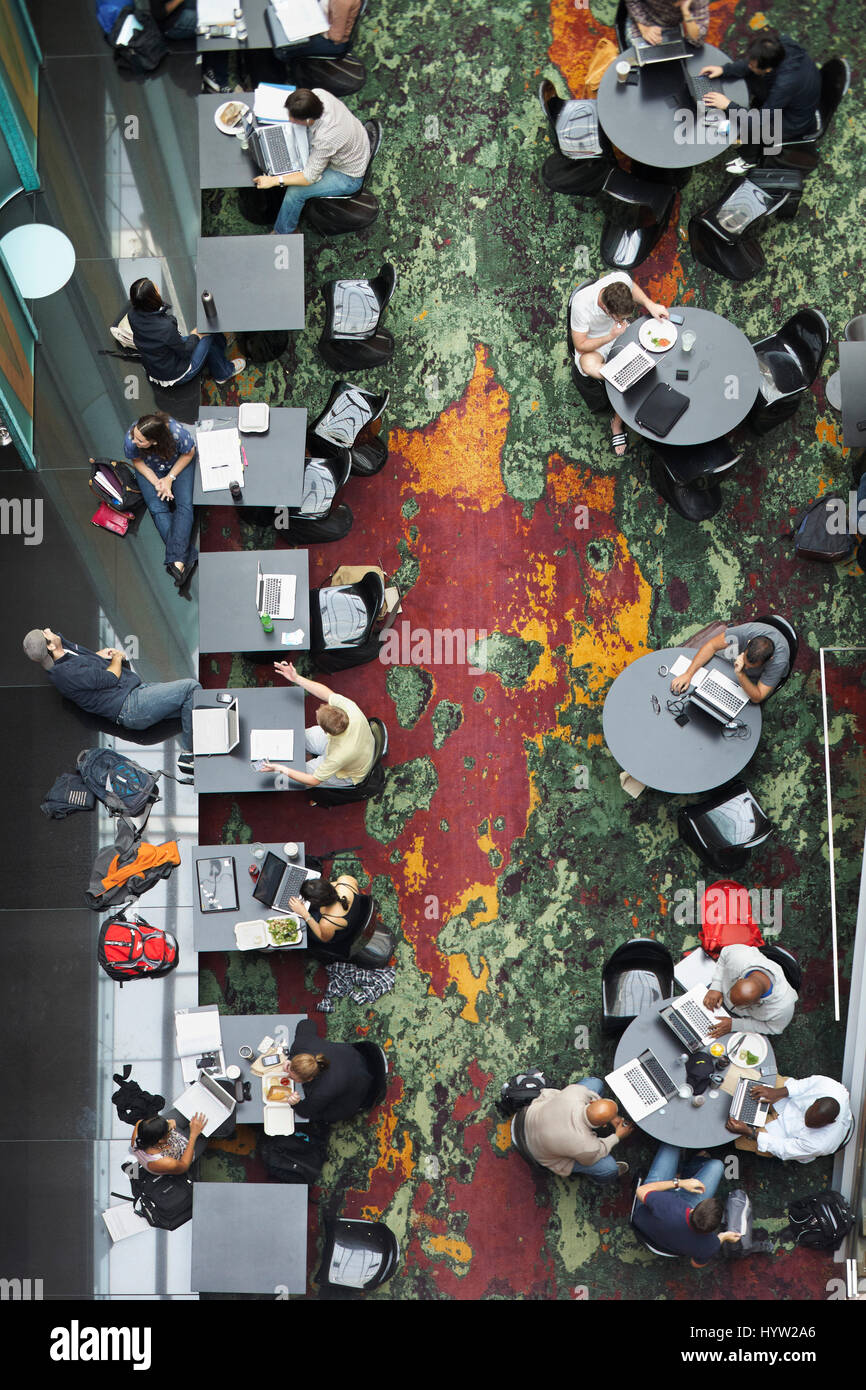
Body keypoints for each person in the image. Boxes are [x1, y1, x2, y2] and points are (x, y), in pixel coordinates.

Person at [22, 627, 200, 776]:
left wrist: (99, 655)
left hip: (135, 693)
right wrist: (115, 658)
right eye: (46, 634)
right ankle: (189, 755)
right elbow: (110, 678)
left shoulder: (61, 652)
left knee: (190, 709)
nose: (48, 630)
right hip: (132, 705)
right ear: (51, 645)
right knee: (190, 689)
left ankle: (207, 742)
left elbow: (83, 662)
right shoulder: (67, 673)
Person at [569, 273, 671, 456]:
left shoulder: (620, 279)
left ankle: (620, 407)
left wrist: (649, 304)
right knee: (590, 366)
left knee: (646, 362)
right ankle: (617, 422)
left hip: (620, 331)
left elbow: (633, 288)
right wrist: (610, 336)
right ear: (605, 309)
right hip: (595, 342)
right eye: (618, 316)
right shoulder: (581, 305)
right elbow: (580, 344)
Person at [253, 88, 370, 235]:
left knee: (294, 192)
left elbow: (308, 178)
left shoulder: (326, 138)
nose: (289, 119)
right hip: (352, 143)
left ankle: (284, 232)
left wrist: (274, 181)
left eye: (293, 117)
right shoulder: (319, 93)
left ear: (308, 120)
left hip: (348, 175)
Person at [701, 28, 822, 167]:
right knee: (749, 85)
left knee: (752, 126)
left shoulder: (785, 84)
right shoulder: (780, 46)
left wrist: (727, 105)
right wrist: (724, 70)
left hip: (793, 121)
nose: (749, 65)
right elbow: (752, 64)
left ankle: (750, 159)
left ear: (769, 69)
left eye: (753, 65)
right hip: (791, 100)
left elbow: (759, 120)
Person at [261, 662, 376, 789]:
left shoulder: (338, 756)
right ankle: (308, 755)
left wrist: (282, 769)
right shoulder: (349, 708)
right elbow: (326, 693)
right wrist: (296, 678)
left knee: (299, 772)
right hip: (348, 745)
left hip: (347, 771)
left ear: (326, 731)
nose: (317, 711)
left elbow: (313, 780)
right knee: (299, 736)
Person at [121, 413, 199, 589]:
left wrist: (169, 479)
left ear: (154, 441)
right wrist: (157, 483)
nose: (134, 441)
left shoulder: (177, 433)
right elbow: (137, 461)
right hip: (150, 470)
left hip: (177, 465)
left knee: (184, 505)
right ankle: (182, 559)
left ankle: (179, 560)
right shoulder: (131, 438)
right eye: (135, 437)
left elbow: (189, 453)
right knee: (157, 509)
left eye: (140, 441)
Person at [126, 277, 244, 391]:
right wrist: (195, 335)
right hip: (176, 373)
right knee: (207, 334)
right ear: (151, 300)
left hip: (156, 365)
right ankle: (223, 373)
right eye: (156, 291)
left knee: (204, 339)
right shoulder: (165, 328)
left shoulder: (132, 315)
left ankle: (220, 347)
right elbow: (185, 351)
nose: (159, 292)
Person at [633, 1143, 741, 1265]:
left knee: (671, 1143)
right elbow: (695, 1264)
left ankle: (683, 1174)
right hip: (669, 1223)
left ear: (694, 1209)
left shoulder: (669, 1206)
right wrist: (723, 1237)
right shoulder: (711, 1244)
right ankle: (693, 1166)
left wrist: (679, 1183)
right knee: (717, 1165)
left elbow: (640, 1191)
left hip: (654, 1211)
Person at [522, 1077, 634, 1183]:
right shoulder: (587, 1147)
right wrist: (617, 1136)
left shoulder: (576, 1092)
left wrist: (606, 1113)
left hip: (527, 1118)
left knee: (595, 1083)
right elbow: (597, 1153)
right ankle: (601, 1178)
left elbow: (591, 1097)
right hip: (535, 1150)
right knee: (609, 1168)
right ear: (604, 1125)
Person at [726, 1076, 852, 1162]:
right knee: (758, 1081)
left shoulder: (819, 1145)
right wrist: (776, 1092)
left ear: (830, 1123)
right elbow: (801, 1086)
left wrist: (750, 1132)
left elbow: (783, 1148)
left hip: (787, 1135)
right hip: (790, 1101)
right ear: (815, 1102)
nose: (807, 1123)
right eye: (808, 1116)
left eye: (813, 1124)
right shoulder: (831, 1087)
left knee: (736, 1133)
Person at [670, 619, 790, 703]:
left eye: (750, 667)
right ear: (748, 642)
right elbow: (712, 646)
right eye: (745, 662)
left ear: (770, 659)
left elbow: (758, 696)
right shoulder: (746, 632)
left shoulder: (778, 662)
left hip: (755, 680)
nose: (746, 667)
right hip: (735, 660)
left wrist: (741, 673)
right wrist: (688, 674)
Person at [283, 1017, 373, 1122]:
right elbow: (307, 1022)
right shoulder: (303, 1043)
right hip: (353, 1055)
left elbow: (304, 1112)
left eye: (293, 1078)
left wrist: (295, 1104)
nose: (288, 1076)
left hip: (360, 1083)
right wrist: (290, 1059)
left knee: (321, 1116)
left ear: (309, 1079)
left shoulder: (322, 1091)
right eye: (289, 1069)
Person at [704, 943, 798, 1038]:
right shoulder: (739, 956)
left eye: (740, 1006)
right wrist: (716, 986)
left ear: (758, 1002)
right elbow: (724, 953)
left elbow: (774, 1028)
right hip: (719, 993)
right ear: (740, 979)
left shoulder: (783, 1008)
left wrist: (736, 1025)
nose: (733, 1006)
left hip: (741, 1019)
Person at [289, 872, 365, 955]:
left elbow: (324, 938)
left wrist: (305, 914)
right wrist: (322, 891)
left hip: (343, 933)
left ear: (316, 904)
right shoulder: (345, 880)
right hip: (358, 910)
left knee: (305, 926)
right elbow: (355, 884)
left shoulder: (327, 922)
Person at [129, 1112, 207, 1173]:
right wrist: (193, 1135)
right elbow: (184, 1166)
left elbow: (141, 1122)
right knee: (206, 1134)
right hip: (183, 1153)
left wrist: (168, 1122)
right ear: (161, 1140)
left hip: (168, 1136)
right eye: (169, 1129)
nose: (171, 1124)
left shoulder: (140, 1125)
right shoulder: (164, 1162)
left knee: (191, 1111)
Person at [280, 0, 360, 59]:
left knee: (283, 47)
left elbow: (336, 37)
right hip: (318, 21)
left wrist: (312, 29)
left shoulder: (341, 2)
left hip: (332, 42)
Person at [624, 0, 708, 48]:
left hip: (673, 24)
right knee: (640, 57)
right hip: (643, 16)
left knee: (675, 64)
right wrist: (644, 28)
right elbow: (632, 1)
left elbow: (697, 40)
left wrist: (685, 11)